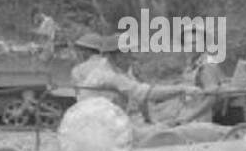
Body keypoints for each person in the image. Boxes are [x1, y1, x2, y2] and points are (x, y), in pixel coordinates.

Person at [70, 34, 198, 117]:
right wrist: (181, 89)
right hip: (102, 126)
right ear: (112, 55)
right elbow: (146, 93)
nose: (131, 55)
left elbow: (141, 95)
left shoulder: (118, 70)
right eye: (126, 52)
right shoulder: (109, 75)